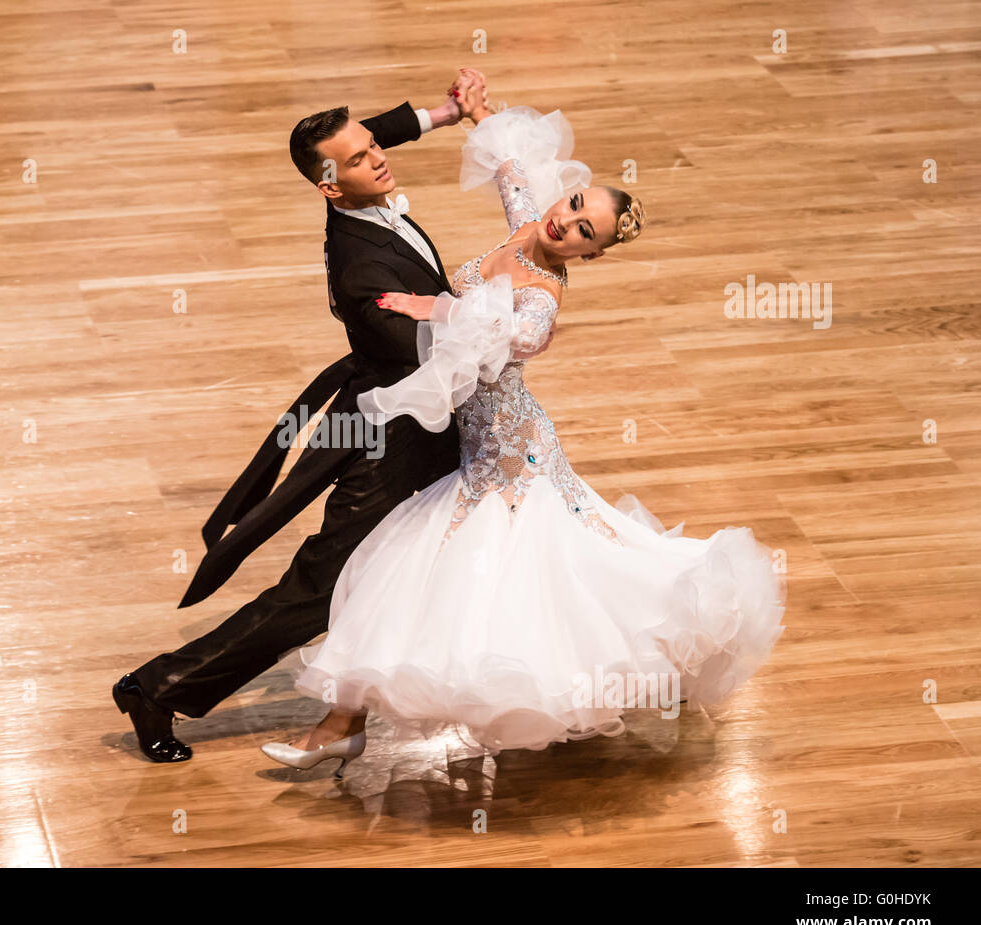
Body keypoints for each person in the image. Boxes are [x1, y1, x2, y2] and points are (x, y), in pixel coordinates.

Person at [261, 96, 787, 776]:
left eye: (581, 231)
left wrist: (430, 304)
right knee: (416, 576)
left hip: (509, 457)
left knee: (470, 580)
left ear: (588, 256)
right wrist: (470, 110)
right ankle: (342, 722)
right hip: (486, 445)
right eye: (572, 205)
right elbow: (510, 161)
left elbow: (499, 335)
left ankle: (344, 721)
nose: (563, 221)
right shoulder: (525, 226)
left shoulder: (542, 300)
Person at [113, 72, 495, 762]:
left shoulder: (354, 187)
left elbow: (363, 136)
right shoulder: (360, 270)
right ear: (330, 187)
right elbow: (434, 352)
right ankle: (157, 685)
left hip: (422, 425)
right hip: (392, 439)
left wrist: (442, 113)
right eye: (358, 159)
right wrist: (507, 319)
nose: (377, 156)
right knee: (320, 591)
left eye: (373, 145)